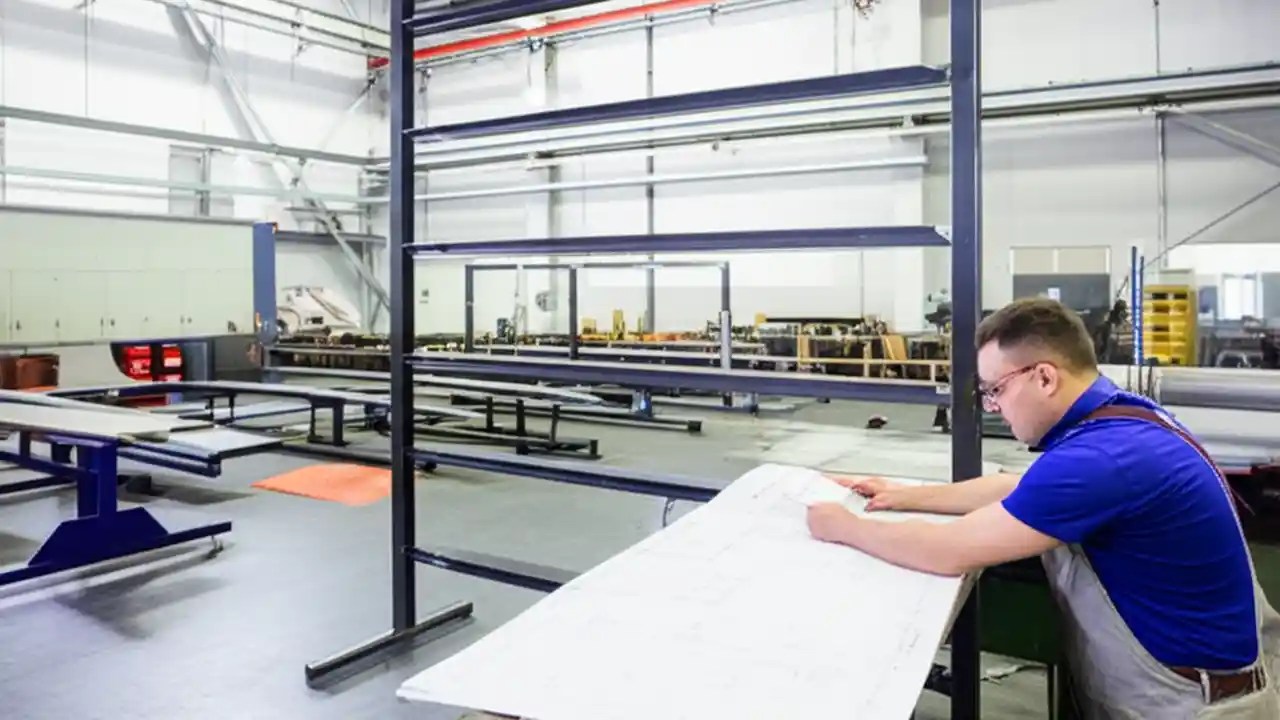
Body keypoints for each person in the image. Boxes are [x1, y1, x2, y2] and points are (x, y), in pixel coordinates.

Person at [805, 297, 1280, 718]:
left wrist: (843, 526)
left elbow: (947, 550)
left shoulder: (1103, 458)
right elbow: (1020, 487)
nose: (993, 406)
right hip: (1195, 679)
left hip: (1190, 706)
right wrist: (903, 494)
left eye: (996, 390)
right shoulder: (1121, 418)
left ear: (1045, 377)